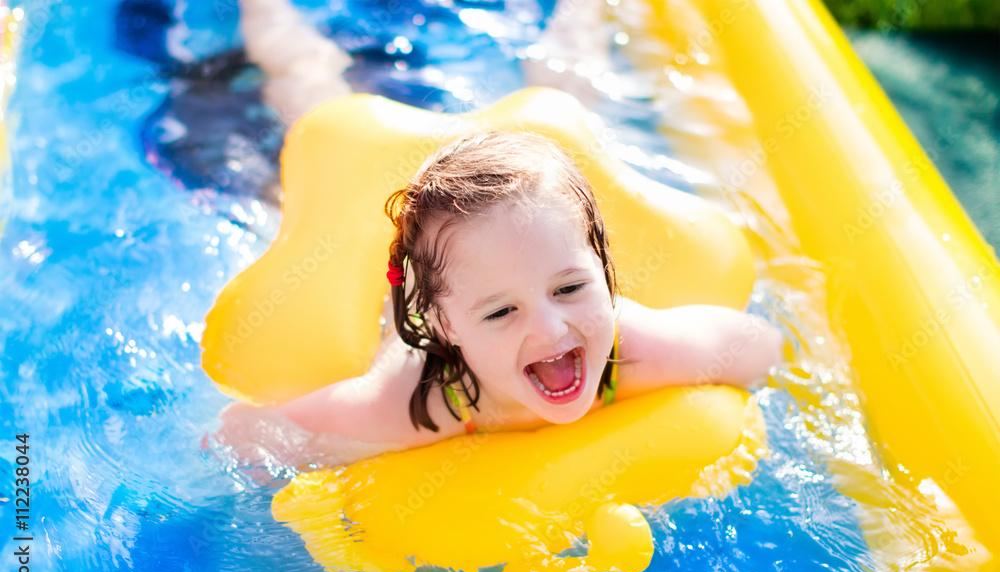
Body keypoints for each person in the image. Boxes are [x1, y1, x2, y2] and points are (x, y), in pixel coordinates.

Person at [216, 131, 782, 472]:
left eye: (569, 288)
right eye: (501, 311)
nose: (549, 330)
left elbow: (757, 346)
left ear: (603, 267)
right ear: (444, 325)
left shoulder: (637, 351)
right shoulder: (421, 404)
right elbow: (246, 437)